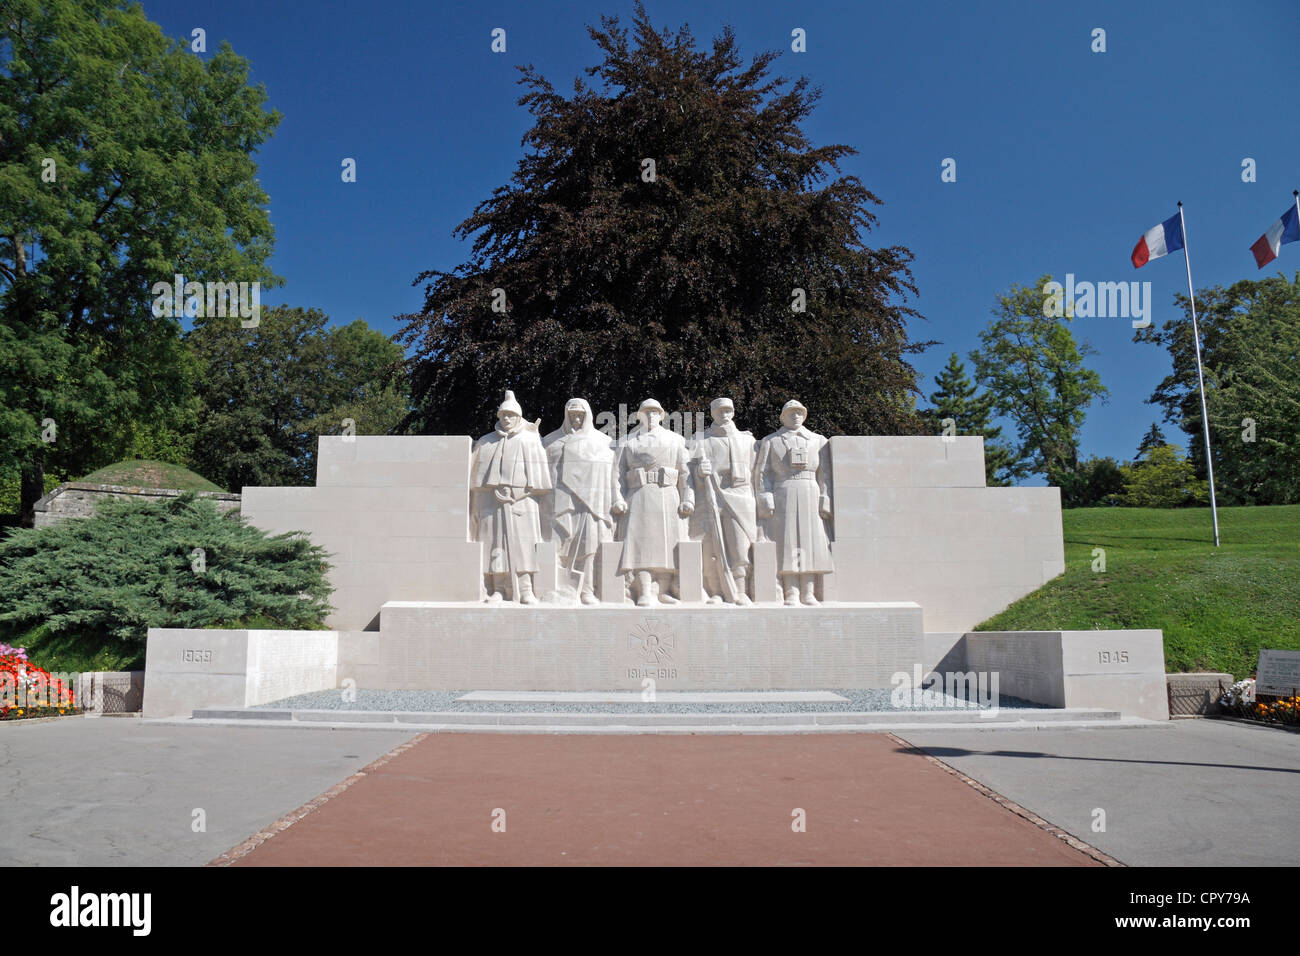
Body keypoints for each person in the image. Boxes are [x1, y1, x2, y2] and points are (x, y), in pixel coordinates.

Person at [470, 390, 551, 604]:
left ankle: (525, 589)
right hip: (493, 504)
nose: (506, 419)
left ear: (518, 417)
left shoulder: (530, 441)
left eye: (511, 415)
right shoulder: (486, 442)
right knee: (495, 546)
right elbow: (476, 483)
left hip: (523, 503)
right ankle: (498, 589)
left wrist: (518, 493)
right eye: (503, 415)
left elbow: (541, 481)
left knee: (524, 546)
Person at [612, 398, 694, 607]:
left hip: (668, 495)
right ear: (639, 415)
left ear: (661, 415)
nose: (650, 416)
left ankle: (663, 591)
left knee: (668, 545)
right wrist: (618, 498)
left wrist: (688, 499)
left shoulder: (675, 440)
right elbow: (617, 475)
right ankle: (644, 591)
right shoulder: (628, 441)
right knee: (642, 545)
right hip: (639, 496)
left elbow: (685, 473)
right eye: (646, 412)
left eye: (654, 412)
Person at [755, 399, 833, 605]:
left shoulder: (818, 440)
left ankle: (808, 590)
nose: (795, 415)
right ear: (783, 416)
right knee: (787, 541)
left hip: (810, 491)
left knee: (810, 541)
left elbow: (825, 473)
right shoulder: (771, 441)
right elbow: (762, 473)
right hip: (784, 491)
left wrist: (825, 498)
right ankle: (791, 591)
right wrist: (765, 495)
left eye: (799, 412)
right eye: (791, 412)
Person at [542, 398, 617, 605]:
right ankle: (554, 589)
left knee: (589, 548)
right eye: (572, 414)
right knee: (557, 545)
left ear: (588, 416)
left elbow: (611, 472)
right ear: (566, 415)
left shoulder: (602, 441)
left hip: (591, 504)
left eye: (581, 415)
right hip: (560, 504)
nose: (576, 418)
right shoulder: (551, 441)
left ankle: (587, 589)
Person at [690, 397, 758, 604]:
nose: (724, 414)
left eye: (728, 410)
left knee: (740, 545)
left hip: (741, 495)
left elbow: (757, 473)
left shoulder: (748, 441)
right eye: (720, 411)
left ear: (734, 412)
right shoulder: (700, 440)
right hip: (712, 496)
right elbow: (689, 473)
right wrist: (700, 473)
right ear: (712, 413)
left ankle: (740, 590)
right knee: (711, 547)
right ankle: (717, 590)